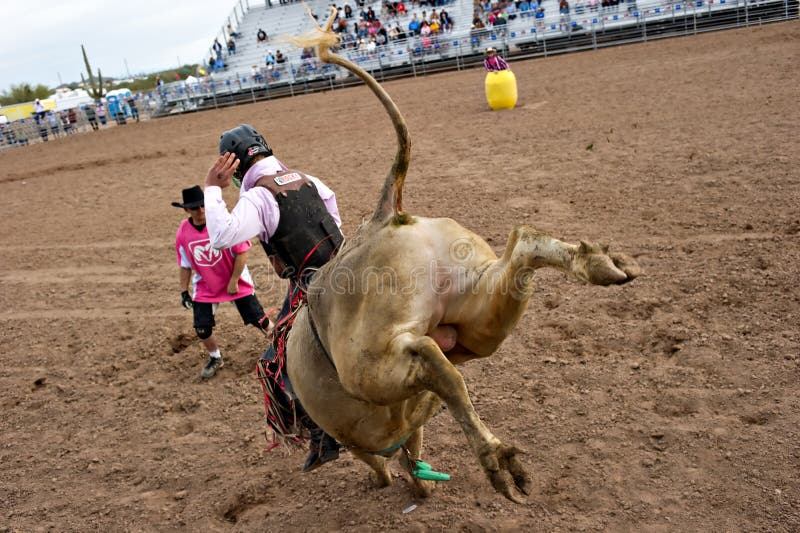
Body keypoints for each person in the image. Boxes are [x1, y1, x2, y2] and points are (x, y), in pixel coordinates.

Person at [202, 125, 344, 472]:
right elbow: (334, 214)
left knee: (273, 362)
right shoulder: (309, 179)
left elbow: (221, 236)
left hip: (310, 285)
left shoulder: (258, 197)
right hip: (347, 269)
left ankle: (322, 435)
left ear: (234, 167)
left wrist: (211, 188)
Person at [173, 185, 271, 379]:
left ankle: (283, 348)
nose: (200, 211)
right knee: (202, 328)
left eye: (203, 206)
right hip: (207, 285)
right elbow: (185, 265)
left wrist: (234, 280)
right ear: (186, 210)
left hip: (236, 280)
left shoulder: (220, 223)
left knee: (259, 320)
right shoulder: (183, 232)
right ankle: (216, 357)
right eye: (195, 208)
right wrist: (184, 291)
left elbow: (242, 252)